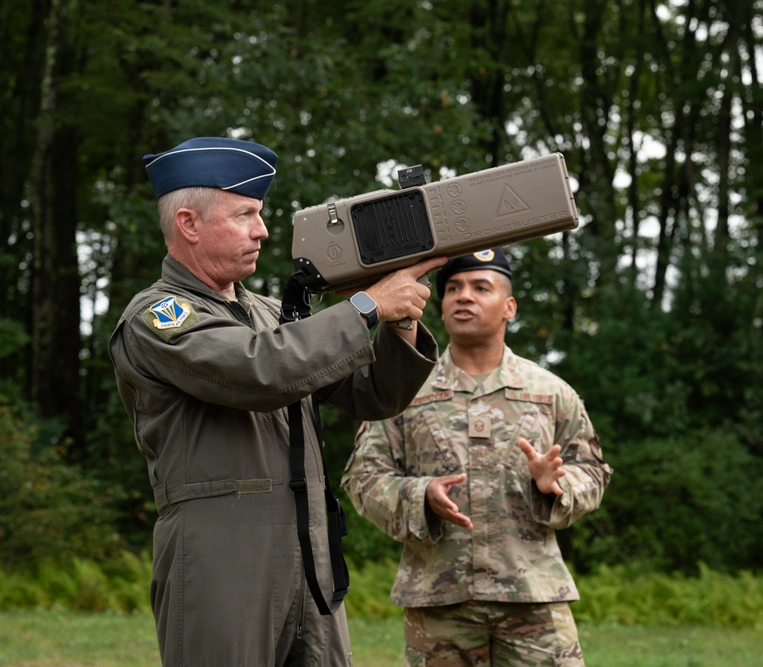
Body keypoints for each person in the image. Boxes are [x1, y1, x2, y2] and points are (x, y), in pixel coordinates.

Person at [109, 136, 446, 666]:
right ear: (189, 224)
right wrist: (365, 306)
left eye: (260, 215)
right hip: (222, 555)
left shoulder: (268, 314)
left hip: (308, 557)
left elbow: (374, 394)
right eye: (244, 215)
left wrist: (398, 317)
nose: (262, 230)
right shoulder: (159, 317)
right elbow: (261, 370)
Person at [341, 248, 613, 666]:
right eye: (452, 288)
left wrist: (557, 486)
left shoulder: (550, 392)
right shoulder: (403, 390)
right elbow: (363, 476)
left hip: (532, 598)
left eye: (480, 287)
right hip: (438, 600)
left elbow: (593, 471)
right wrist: (420, 494)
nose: (463, 297)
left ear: (509, 307)